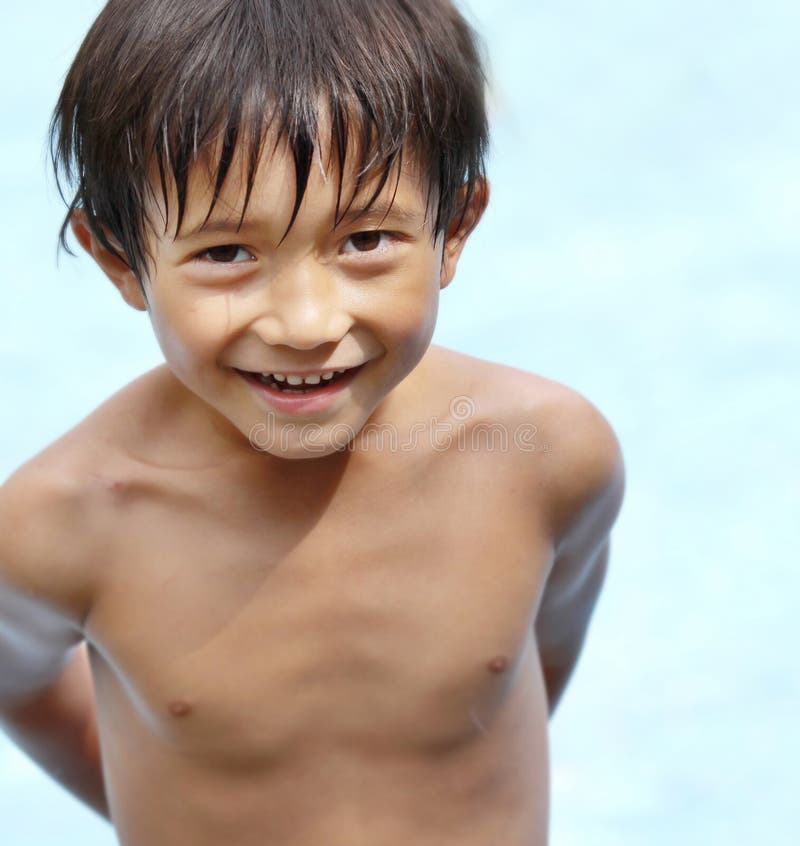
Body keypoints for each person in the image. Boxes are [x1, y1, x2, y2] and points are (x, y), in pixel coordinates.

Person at [0, 0, 625, 843]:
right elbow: (19, 685)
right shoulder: (61, 525)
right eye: (226, 253)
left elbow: (542, 659)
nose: (306, 323)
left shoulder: (547, 460)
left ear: (454, 227)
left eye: (366, 240)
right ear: (120, 258)